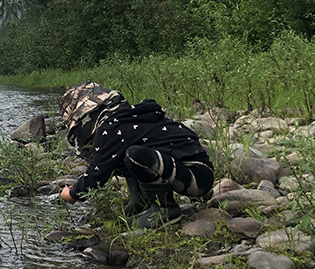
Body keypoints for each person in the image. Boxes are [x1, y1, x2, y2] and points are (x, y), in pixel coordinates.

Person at [56, 82, 214, 228]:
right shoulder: (123, 119)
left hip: (196, 177)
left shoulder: (111, 128)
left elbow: (97, 173)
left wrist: (72, 193)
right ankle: (140, 200)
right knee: (124, 154)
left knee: (134, 155)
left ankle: (165, 208)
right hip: (190, 170)